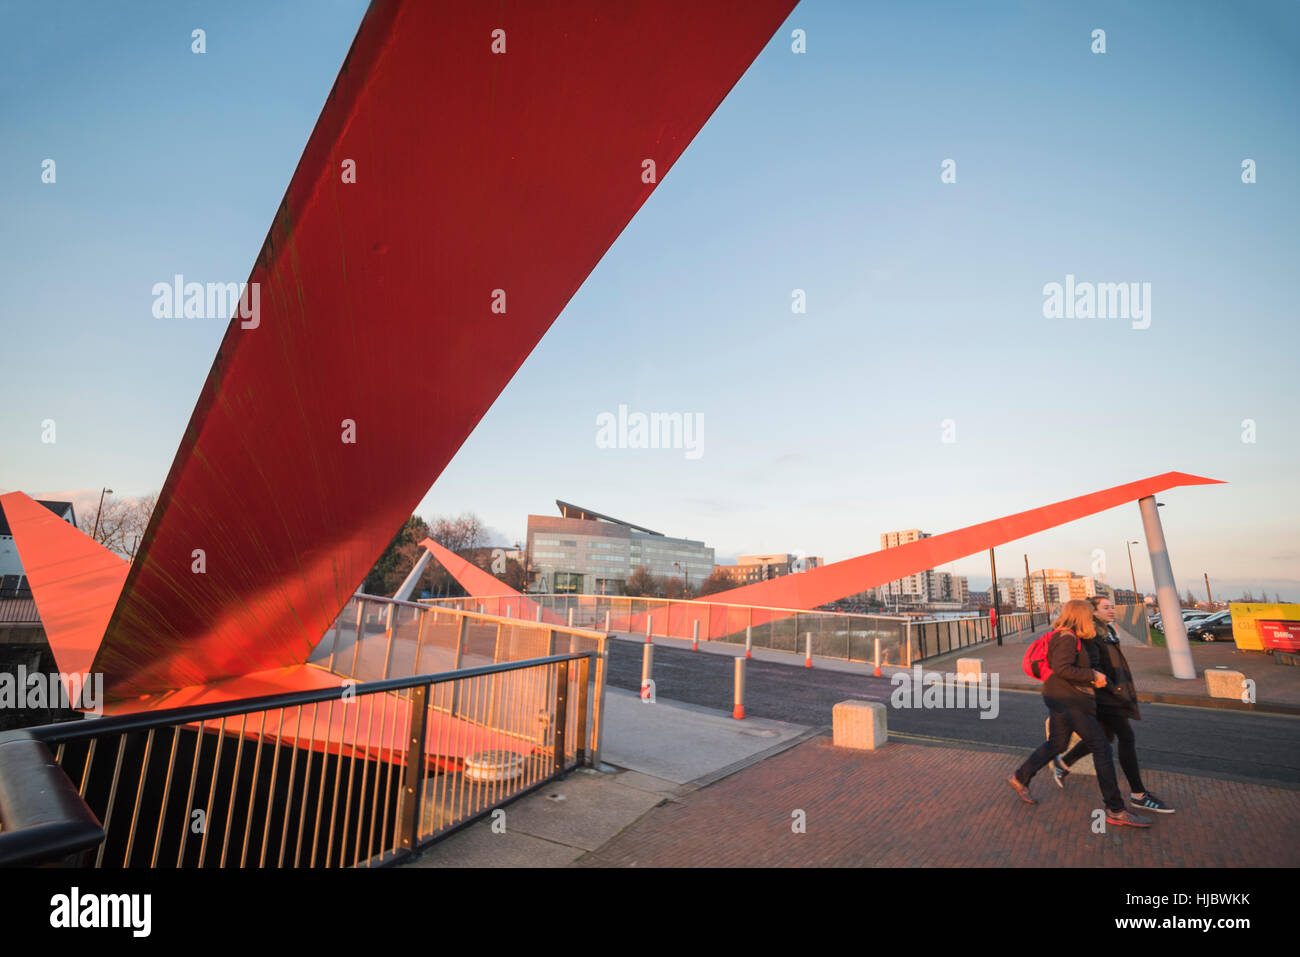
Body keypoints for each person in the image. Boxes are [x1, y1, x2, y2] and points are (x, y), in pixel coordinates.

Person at [1007, 599, 1151, 828]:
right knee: (1101, 747)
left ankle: (1020, 777)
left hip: (1061, 697)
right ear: (1080, 614)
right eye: (1088, 613)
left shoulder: (1072, 635)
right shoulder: (1066, 637)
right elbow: (1062, 669)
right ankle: (1115, 809)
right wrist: (1093, 676)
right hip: (1069, 699)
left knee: (1057, 743)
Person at [1051, 596, 1174, 813]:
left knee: (1103, 738)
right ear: (1093, 612)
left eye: (1112, 607)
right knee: (1125, 737)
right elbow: (1091, 668)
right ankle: (1138, 794)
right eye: (1105, 608)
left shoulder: (1107, 631)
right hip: (1106, 696)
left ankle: (1062, 764)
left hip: (1114, 692)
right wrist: (1112, 689)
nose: (1112, 611)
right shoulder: (1091, 636)